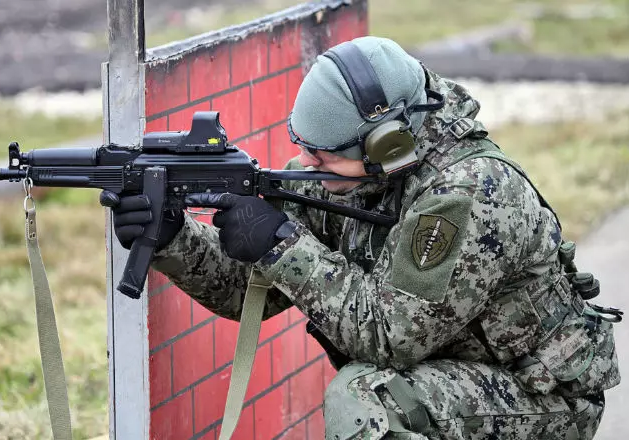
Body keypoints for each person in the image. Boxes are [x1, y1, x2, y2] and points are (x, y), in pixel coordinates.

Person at [101, 36, 621, 439]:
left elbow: (389, 337)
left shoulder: (470, 195)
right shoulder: (353, 176)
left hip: (539, 397)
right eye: (305, 148)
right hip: (454, 368)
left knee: (370, 397)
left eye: (323, 156)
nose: (307, 164)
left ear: (386, 144)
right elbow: (246, 290)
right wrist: (174, 237)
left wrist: (283, 245)